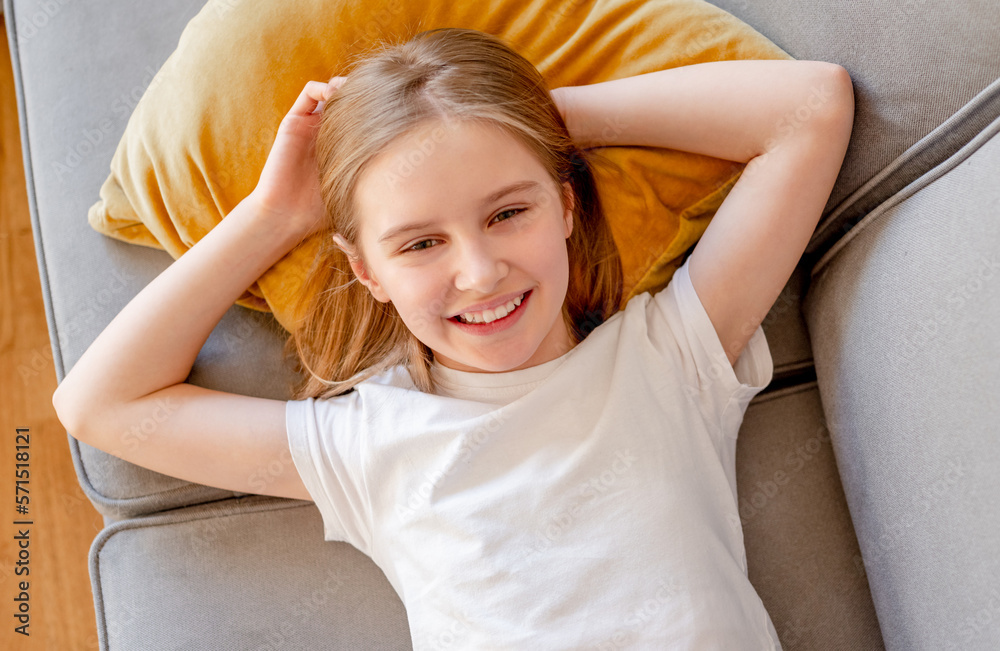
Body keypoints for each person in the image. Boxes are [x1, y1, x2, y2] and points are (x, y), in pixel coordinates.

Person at [53, 27, 854, 649]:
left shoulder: (670, 355)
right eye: (420, 243)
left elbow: (811, 108)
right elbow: (100, 404)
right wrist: (274, 217)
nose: (479, 272)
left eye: (508, 211)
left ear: (566, 205)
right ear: (367, 272)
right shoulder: (371, 442)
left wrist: (535, 118)